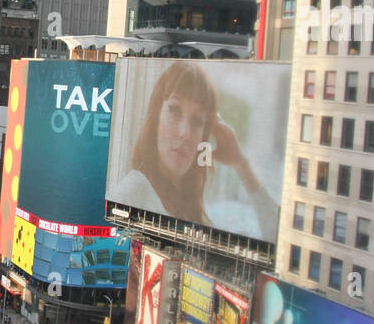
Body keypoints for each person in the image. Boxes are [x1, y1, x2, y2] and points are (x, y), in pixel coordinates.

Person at [110, 59, 279, 237]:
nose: (185, 133)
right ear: (156, 115)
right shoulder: (134, 191)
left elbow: (278, 239)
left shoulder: (194, 210)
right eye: (175, 111)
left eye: (197, 121)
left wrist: (241, 164)